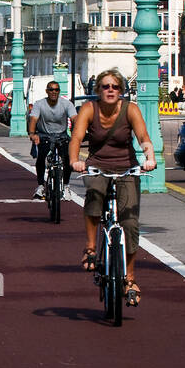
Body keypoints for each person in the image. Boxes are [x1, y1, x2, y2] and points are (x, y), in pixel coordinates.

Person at [68, 68, 156, 306]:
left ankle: (130, 277)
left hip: (126, 168)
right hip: (97, 166)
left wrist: (150, 157)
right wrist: (75, 161)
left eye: (115, 87)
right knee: (94, 199)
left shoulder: (131, 109)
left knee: (130, 223)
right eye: (106, 86)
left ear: (121, 90)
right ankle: (90, 247)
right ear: (98, 90)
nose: (110, 90)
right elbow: (76, 138)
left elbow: (143, 138)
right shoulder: (89, 109)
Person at [28, 82, 76, 199]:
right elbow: (33, 119)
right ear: (47, 91)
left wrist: (77, 134)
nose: (54, 92)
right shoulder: (39, 104)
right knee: (41, 158)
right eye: (51, 90)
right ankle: (40, 186)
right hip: (45, 136)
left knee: (67, 158)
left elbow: (75, 118)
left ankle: (66, 186)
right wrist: (32, 134)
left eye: (56, 90)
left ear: (59, 91)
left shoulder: (66, 104)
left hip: (61, 136)